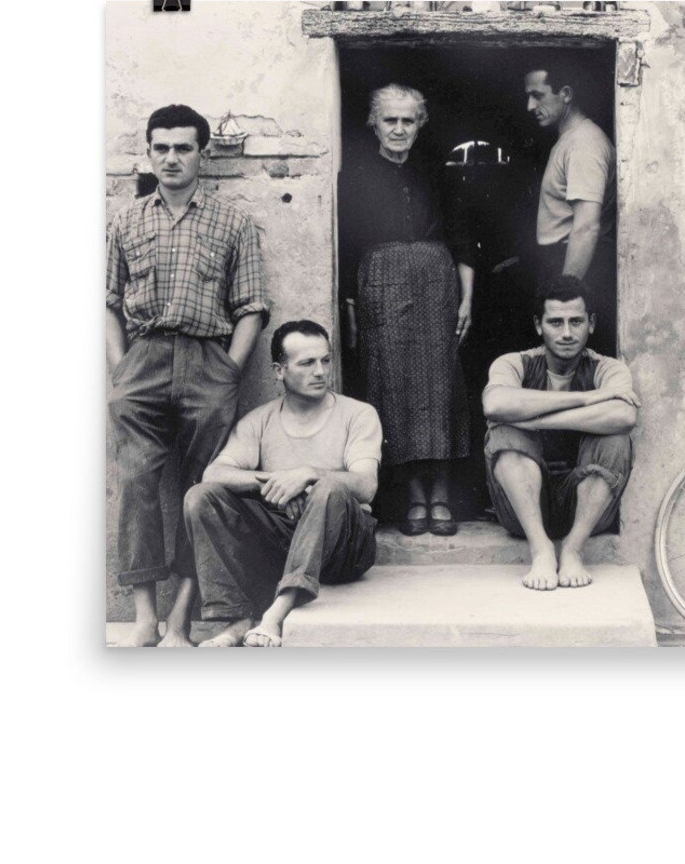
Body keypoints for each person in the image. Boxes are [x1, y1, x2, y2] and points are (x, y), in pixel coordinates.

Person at [107, 104, 269, 647]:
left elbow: (251, 306)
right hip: (143, 360)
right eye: (161, 148)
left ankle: (181, 620)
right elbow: (106, 301)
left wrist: (228, 372)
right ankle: (144, 618)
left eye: (183, 147)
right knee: (137, 482)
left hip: (208, 360)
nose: (171, 158)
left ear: (203, 153)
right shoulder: (127, 221)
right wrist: (121, 368)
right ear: (149, 153)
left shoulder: (234, 221)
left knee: (206, 490)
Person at [183, 320, 381, 647]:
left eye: (326, 360)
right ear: (279, 370)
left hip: (346, 547)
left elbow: (365, 485)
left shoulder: (358, 414)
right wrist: (278, 483)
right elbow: (214, 474)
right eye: (307, 363)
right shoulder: (259, 420)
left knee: (330, 488)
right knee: (200, 497)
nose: (320, 371)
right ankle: (238, 616)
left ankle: (277, 613)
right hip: (284, 540)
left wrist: (309, 473)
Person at [337, 84, 475, 536]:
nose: (399, 129)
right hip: (380, 284)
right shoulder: (353, 176)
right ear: (373, 123)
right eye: (390, 120)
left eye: (408, 120)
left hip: (437, 284)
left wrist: (467, 298)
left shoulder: (439, 170)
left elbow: (461, 236)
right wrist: (353, 312)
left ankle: (443, 496)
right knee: (393, 390)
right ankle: (414, 497)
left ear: (421, 124)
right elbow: (348, 248)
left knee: (440, 389)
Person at [482, 275, 639, 590]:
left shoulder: (608, 369)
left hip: (586, 511)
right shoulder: (516, 363)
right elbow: (495, 404)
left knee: (615, 438)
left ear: (591, 323)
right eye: (555, 322)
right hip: (522, 508)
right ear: (539, 325)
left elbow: (623, 414)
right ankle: (541, 549)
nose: (567, 333)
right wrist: (585, 399)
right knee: (504, 434)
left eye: (576, 321)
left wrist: (536, 419)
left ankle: (572, 550)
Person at [524, 56, 616, 353]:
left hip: (575, 265)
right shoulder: (570, 140)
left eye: (537, 95)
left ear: (565, 93)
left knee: (571, 364)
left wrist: (565, 296)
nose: (529, 106)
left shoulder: (584, 145)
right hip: (561, 262)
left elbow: (586, 227)